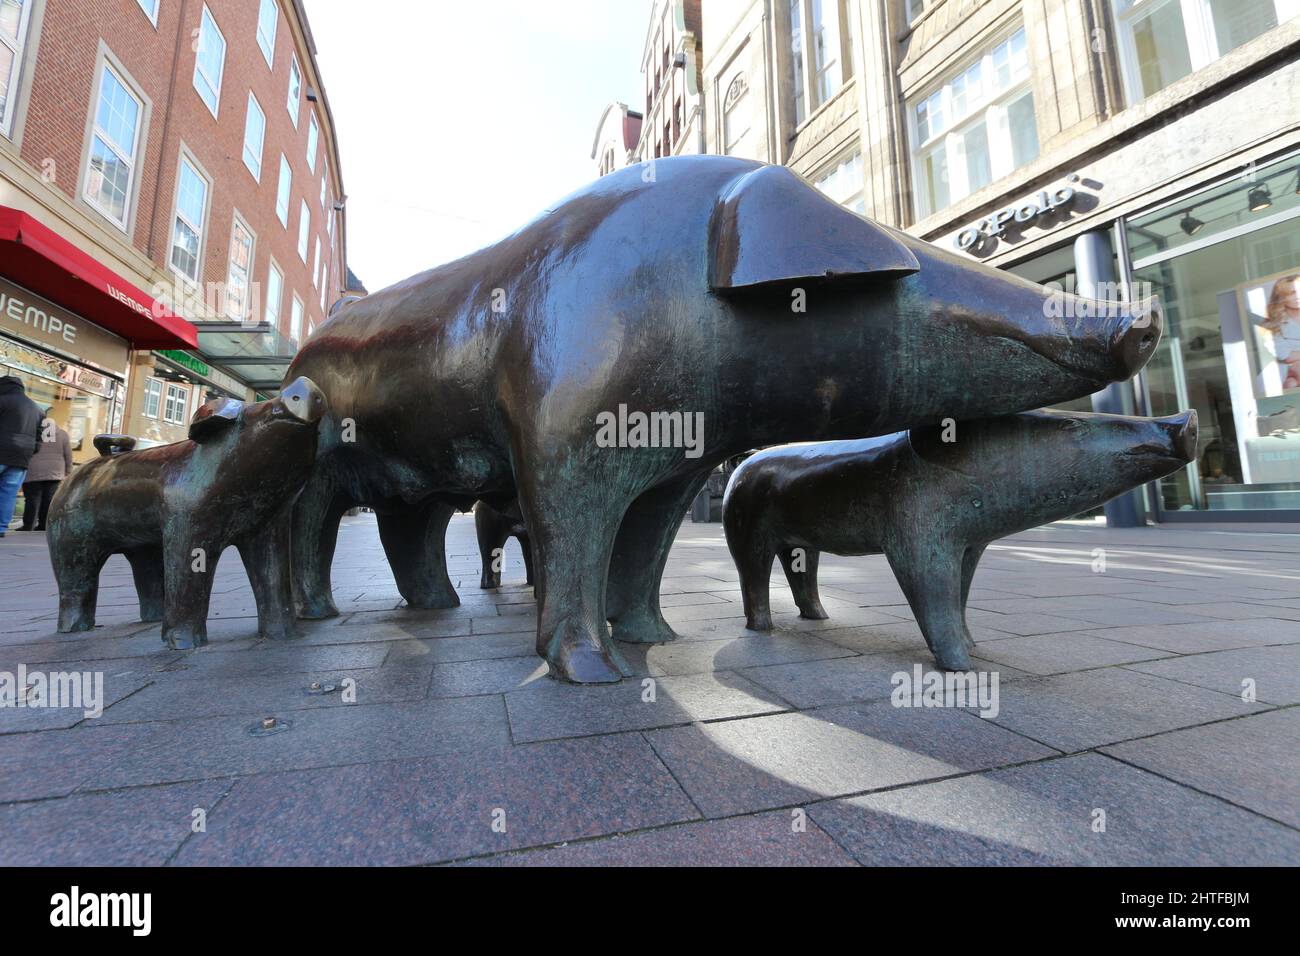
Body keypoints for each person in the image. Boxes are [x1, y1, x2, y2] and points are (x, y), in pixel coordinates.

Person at [0, 375, 43, 538]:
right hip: (21, 458)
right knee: (8, 493)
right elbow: (41, 438)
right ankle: (1, 528)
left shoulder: (2, 401)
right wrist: (31, 451)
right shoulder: (37, 408)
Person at [20, 408, 72, 532]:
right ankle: (43, 525)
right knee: (49, 500)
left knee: (32, 499)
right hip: (54, 473)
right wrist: (68, 472)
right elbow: (68, 455)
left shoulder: (32, 431)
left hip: (33, 470)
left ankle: (28, 525)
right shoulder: (63, 434)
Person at [1262, 275, 1300, 391]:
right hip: (1292, 376)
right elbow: (1285, 356)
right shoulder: (1272, 325)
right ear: (1281, 297)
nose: (1298, 296)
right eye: (1292, 293)